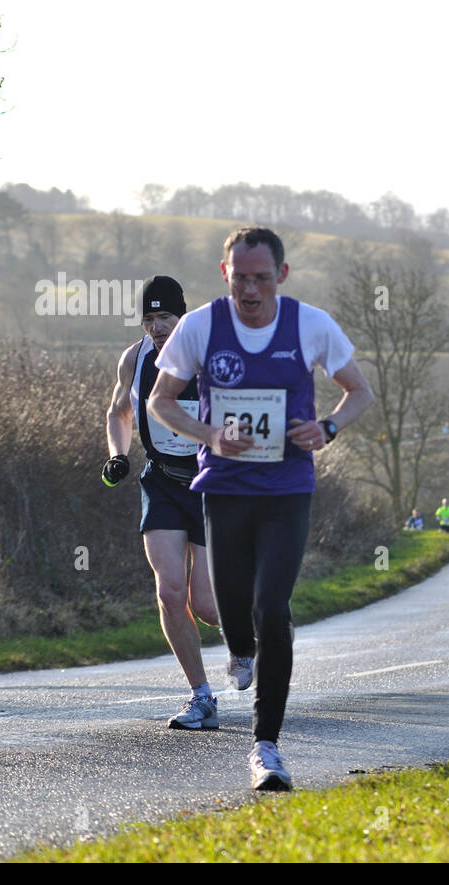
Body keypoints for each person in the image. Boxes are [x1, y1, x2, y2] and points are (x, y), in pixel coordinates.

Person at [148, 226, 373, 792]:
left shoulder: (310, 325)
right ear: (225, 274)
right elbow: (159, 401)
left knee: (273, 607)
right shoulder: (201, 326)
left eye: (262, 279)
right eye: (241, 279)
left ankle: (266, 746)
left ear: (282, 275)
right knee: (232, 609)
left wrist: (327, 428)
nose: (250, 290)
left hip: (286, 489)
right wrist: (209, 434)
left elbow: (360, 392)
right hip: (223, 488)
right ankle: (241, 648)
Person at [103, 275, 225, 730]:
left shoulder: (211, 356)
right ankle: (202, 697)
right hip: (162, 483)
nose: (156, 327)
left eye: (165, 317)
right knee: (170, 592)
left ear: (183, 317)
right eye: (149, 319)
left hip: (212, 485)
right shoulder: (134, 359)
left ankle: (257, 633)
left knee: (207, 606)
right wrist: (118, 454)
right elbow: (118, 412)